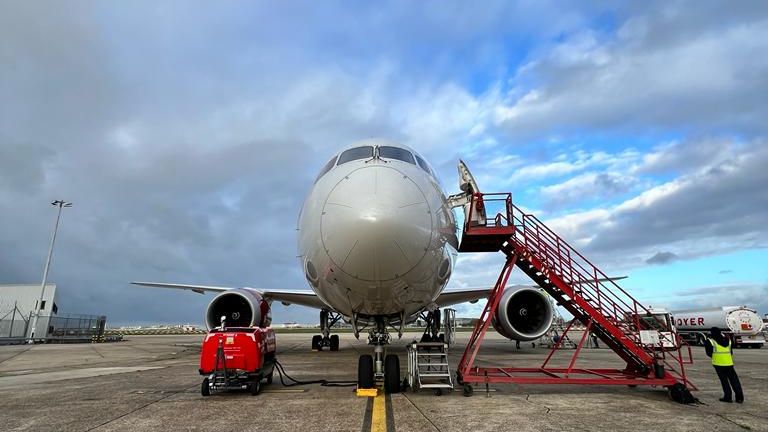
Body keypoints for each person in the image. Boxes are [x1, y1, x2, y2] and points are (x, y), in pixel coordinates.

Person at [705, 327, 744, 403]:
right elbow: (731, 352)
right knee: (735, 381)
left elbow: (709, 353)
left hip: (718, 364)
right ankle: (739, 398)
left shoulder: (710, 341)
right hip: (729, 363)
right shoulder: (728, 340)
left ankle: (728, 397)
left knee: (724, 381)